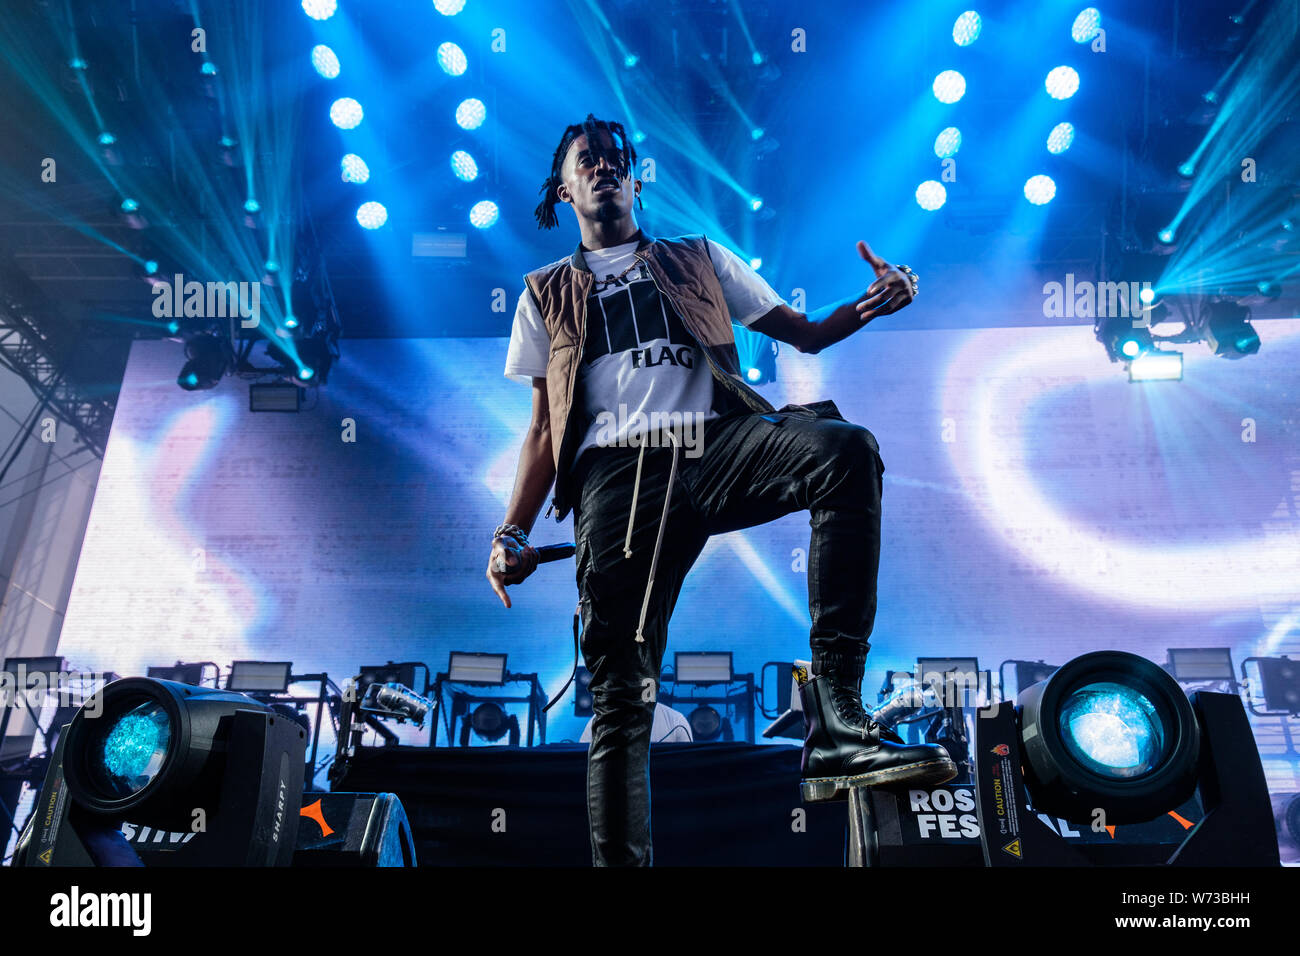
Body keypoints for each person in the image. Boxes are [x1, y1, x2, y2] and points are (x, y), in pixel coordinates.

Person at [487, 114, 955, 866]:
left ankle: (836, 719)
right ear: (564, 188)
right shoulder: (545, 294)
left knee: (844, 450)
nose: (605, 166)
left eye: (617, 158)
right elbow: (543, 430)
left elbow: (803, 334)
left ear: (635, 180)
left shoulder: (699, 257)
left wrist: (871, 303)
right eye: (588, 160)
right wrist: (509, 533)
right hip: (619, 477)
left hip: (718, 443)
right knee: (622, 696)